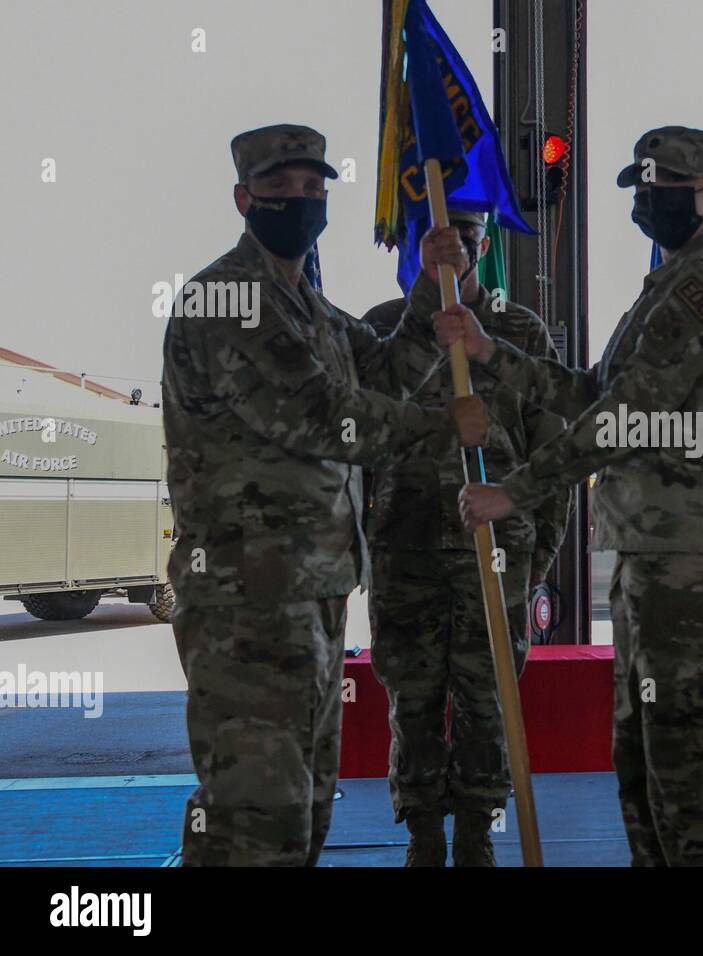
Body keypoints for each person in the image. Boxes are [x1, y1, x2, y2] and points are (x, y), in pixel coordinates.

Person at [437, 126, 703, 865]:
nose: (652, 200)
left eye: (670, 188)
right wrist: (492, 353)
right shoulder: (661, 291)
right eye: (644, 187)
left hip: (698, 549)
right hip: (653, 547)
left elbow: (628, 415)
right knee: (644, 757)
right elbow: (595, 392)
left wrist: (515, 492)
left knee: (690, 763)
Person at [162, 123, 486, 866]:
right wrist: (445, 427)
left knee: (302, 810)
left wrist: (433, 286)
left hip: (310, 589)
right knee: (252, 812)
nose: (299, 202)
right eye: (280, 191)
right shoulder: (228, 300)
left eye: (313, 190)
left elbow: (380, 370)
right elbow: (319, 417)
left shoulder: (304, 302)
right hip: (248, 596)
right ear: (245, 199)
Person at [360, 206, 571, 867]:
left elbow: (553, 452)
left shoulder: (519, 330)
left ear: (487, 242)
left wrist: (540, 554)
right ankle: (422, 834)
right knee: (413, 699)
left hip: (499, 548)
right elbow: (364, 427)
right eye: (442, 230)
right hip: (407, 544)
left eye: (472, 231)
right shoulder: (382, 328)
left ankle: (477, 831)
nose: (459, 241)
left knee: (489, 701)